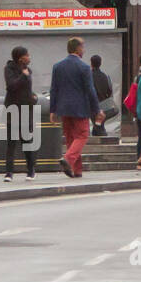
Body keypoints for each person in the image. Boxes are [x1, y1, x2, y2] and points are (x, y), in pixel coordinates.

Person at [49, 37, 103, 178]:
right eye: (83, 47)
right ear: (78, 49)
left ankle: (76, 169)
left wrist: (53, 110)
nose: (84, 50)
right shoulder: (84, 67)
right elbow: (90, 90)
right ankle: (68, 159)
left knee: (70, 138)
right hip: (80, 107)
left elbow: (53, 89)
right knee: (82, 135)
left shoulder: (57, 66)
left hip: (63, 108)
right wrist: (97, 110)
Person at [3, 46, 38, 182]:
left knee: (26, 141)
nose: (29, 58)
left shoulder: (28, 71)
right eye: (27, 55)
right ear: (20, 58)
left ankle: (31, 170)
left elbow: (26, 90)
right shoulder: (9, 69)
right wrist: (23, 76)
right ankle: (9, 172)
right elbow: (11, 86)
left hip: (25, 109)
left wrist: (32, 97)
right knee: (11, 142)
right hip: (13, 108)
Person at [89, 54, 112, 137]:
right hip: (103, 104)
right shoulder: (104, 76)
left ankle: (105, 141)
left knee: (99, 126)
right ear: (100, 63)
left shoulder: (89, 76)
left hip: (93, 105)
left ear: (91, 63)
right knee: (98, 124)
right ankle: (95, 137)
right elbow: (109, 91)